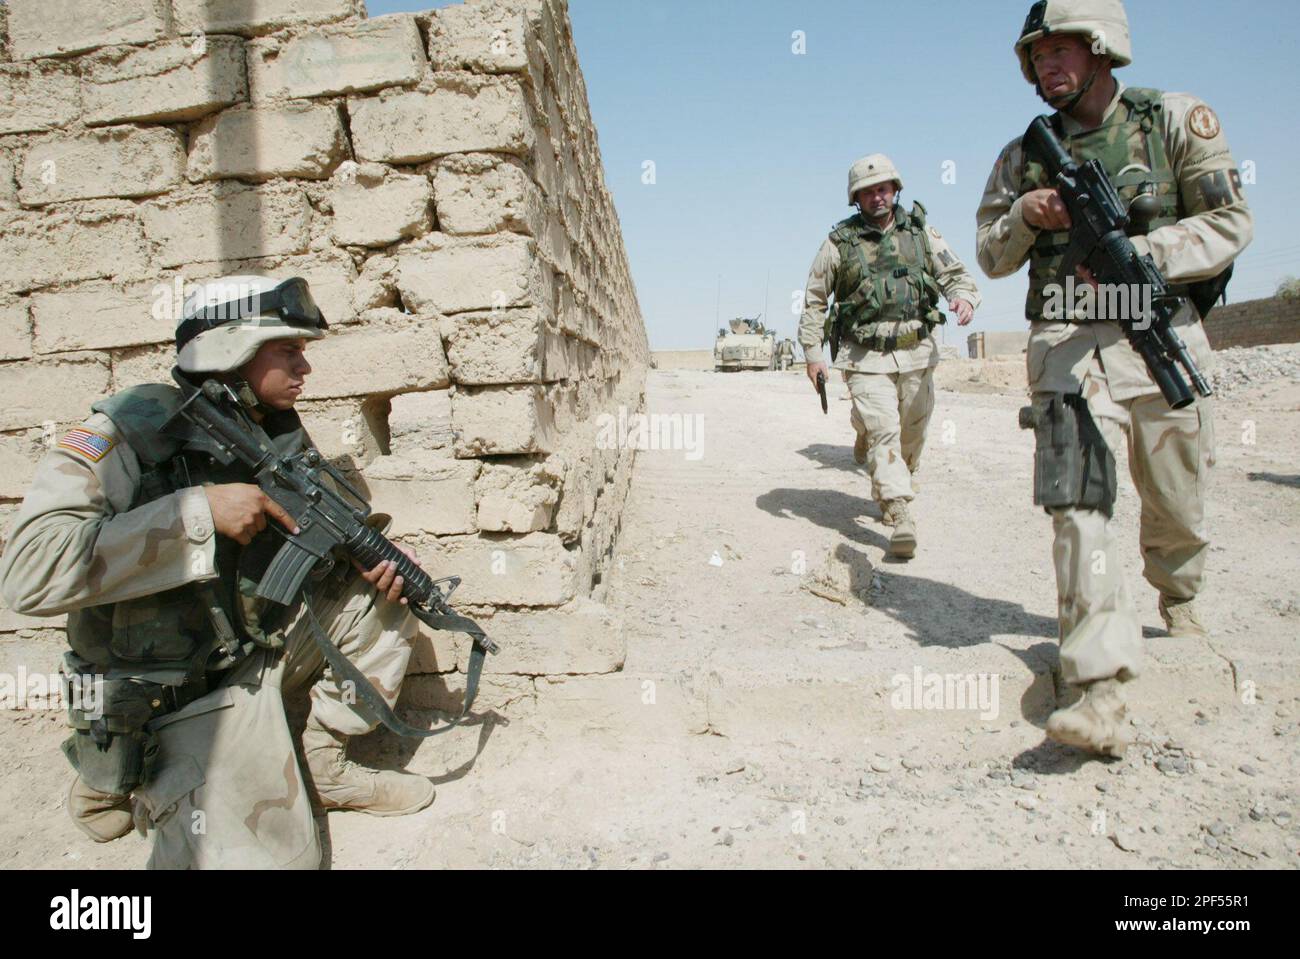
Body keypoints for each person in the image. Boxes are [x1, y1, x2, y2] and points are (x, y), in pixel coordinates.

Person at [0, 276, 439, 868]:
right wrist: (197, 515)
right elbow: (29, 572)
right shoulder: (124, 434)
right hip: (174, 692)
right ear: (229, 348)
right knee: (284, 860)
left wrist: (355, 552)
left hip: (246, 652)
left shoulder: (264, 427)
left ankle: (323, 766)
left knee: (382, 591)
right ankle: (118, 774)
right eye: (288, 350)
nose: (304, 367)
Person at [975, 0, 1252, 756]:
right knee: (1078, 501)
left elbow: (1232, 222)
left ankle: (1179, 589)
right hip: (1065, 338)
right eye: (1037, 54)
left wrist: (1147, 256)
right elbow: (990, 256)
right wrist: (1029, 215)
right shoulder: (1020, 157)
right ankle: (1099, 684)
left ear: (1103, 50)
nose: (1046, 64)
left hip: (1158, 330)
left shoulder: (1173, 120)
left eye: (1062, 49)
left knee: (1177, 495)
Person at [801, 154, 980, 558]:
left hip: (917, 351)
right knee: (885, 429)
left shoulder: (921, 233)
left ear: (895, 190)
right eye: (867, 193)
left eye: (882, 189)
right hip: (865, 357)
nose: (876, 197)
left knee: (912, 430)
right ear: (856, 199)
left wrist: (963, 297)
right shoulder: (838, 243)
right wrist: (813, 354)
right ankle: (899, 512)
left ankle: (897, 470)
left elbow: (955, 273)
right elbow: (814, 300)